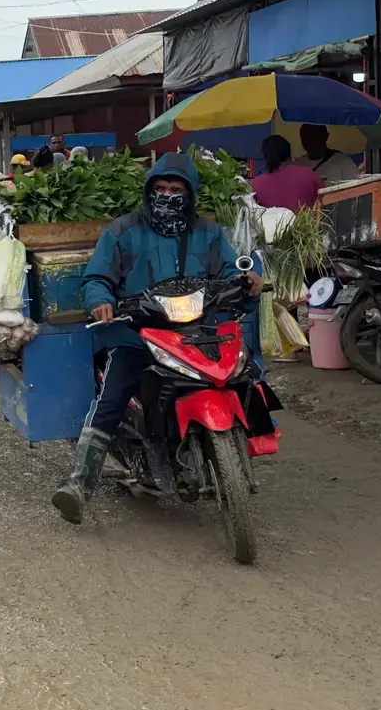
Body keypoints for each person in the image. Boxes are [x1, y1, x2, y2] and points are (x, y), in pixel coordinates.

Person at [52, 153, 256, 525]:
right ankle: (79, 484)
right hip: (134, 332)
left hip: (192, 332)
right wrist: (101, 302)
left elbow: (231, 272)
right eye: (160, 188)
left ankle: (230, 450)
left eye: (176, 189)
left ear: (190, 193)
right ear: (149, 191)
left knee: (243, 373)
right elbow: (97, 278)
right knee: (113, 393)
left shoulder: (209, 233)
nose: (167, 195)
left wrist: (246, 283)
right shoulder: (122, 230)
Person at [250, 133, 324, 211]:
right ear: (289, 153)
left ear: (265, 157)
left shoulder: (253, 186)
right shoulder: (309, 175)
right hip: (305, 222)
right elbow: (325, 201)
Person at [293, 123, 361, 185]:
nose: (308, 140)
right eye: (304, 136)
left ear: (325, 136)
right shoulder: (296, 166)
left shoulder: (343, 161)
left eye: (313, 135)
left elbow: (355, 191)